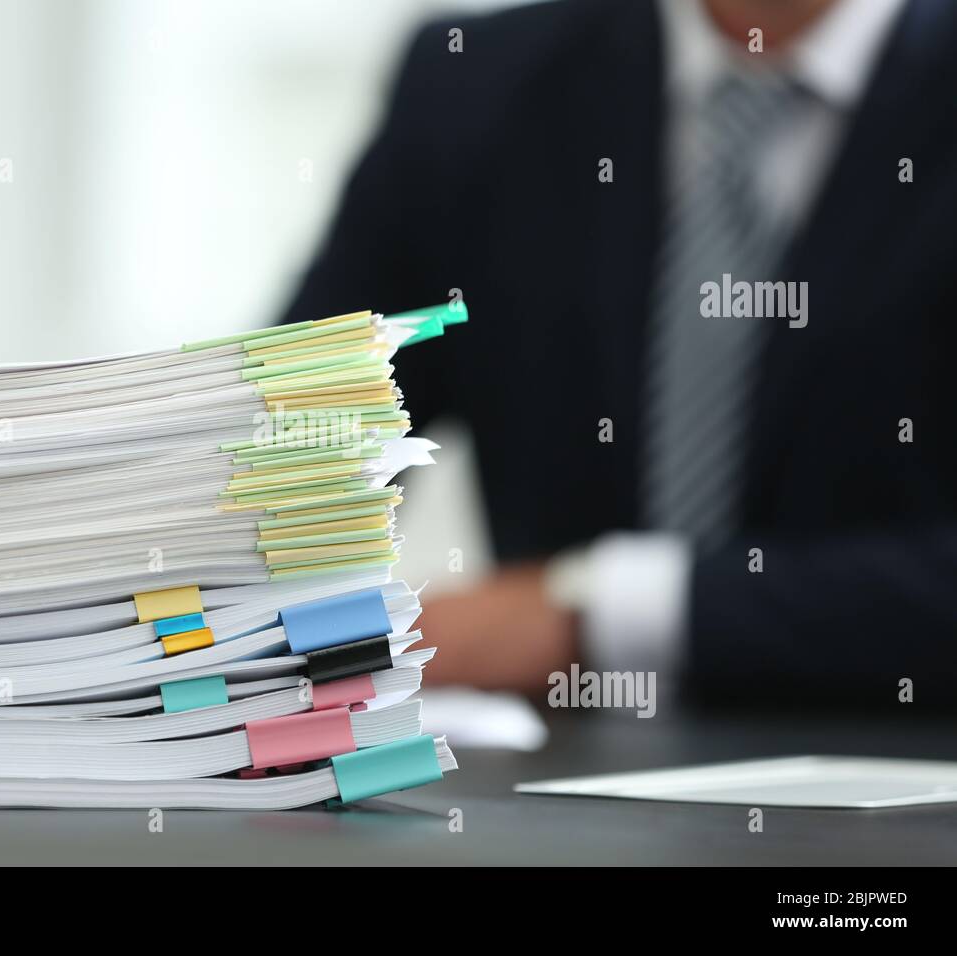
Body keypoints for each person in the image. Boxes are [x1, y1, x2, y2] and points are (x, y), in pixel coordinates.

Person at [280, 0, 957, 707]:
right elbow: (296, 447)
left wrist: (596, 611)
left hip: (901, 779)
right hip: (550, 784)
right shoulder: (476, 84)